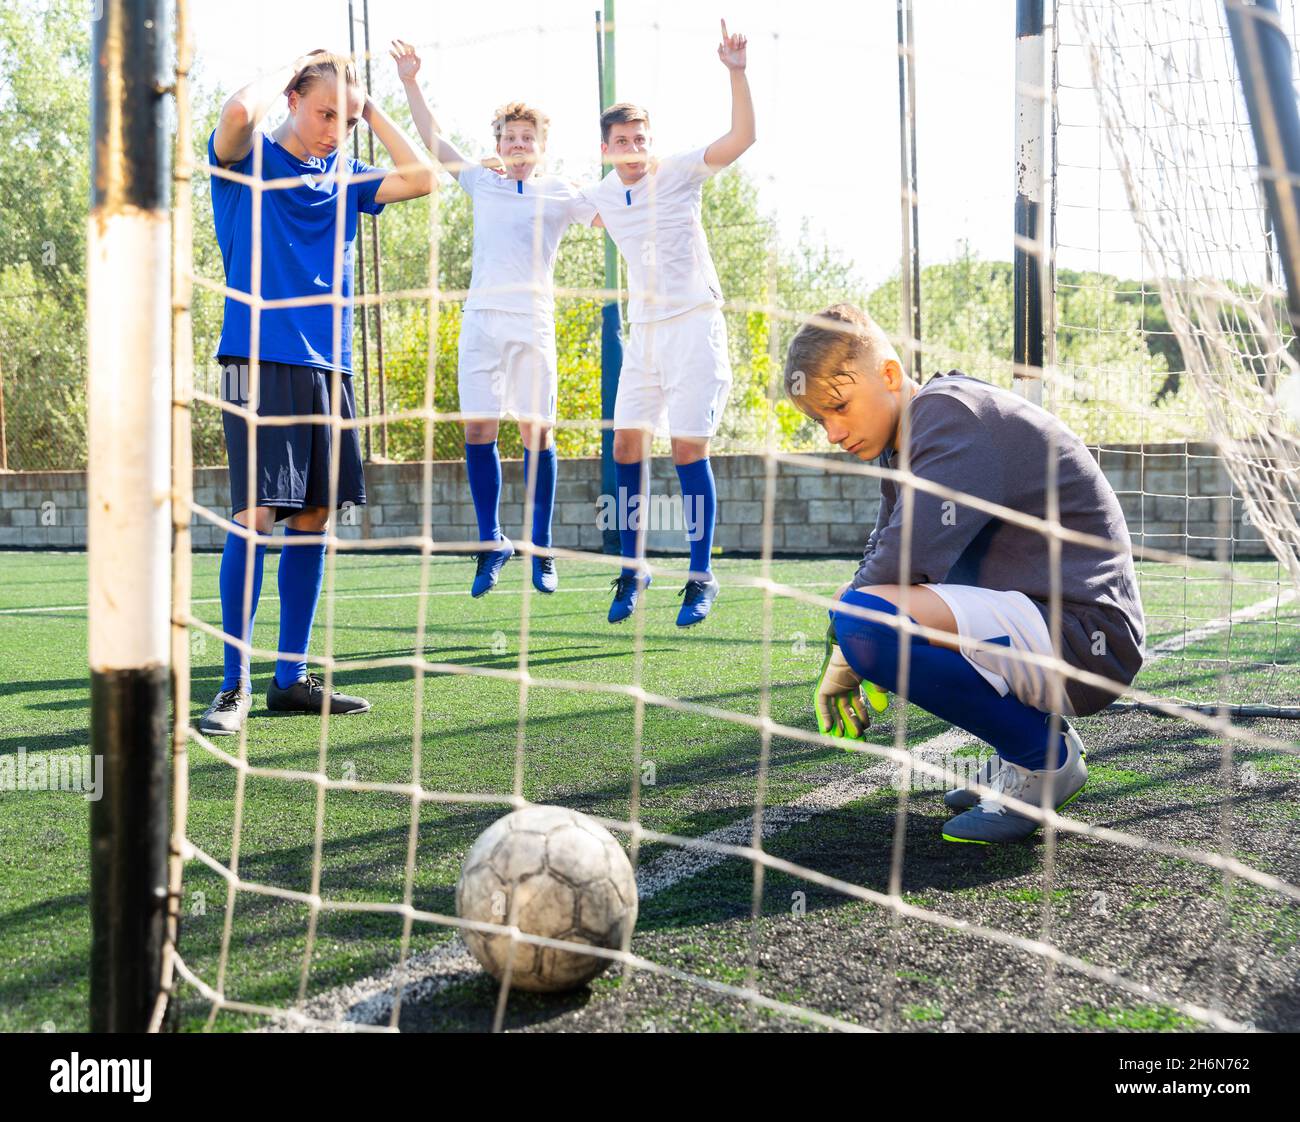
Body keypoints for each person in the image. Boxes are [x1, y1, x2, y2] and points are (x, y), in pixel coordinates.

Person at [784, 304, 1146, 843]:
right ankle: (1024, 742)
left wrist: (848, 648)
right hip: (1045, 621)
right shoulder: (910, 437)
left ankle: (1042, 759)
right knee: (859, 608)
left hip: (1084, 634)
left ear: (887, 375)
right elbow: (880, 554)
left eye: (839, 407)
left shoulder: (949, 415)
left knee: (865, 618)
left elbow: (906, 559)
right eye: (820, 420)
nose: (833, 433)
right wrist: (848, 627)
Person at [199, 51, 433, 737]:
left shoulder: (348, 176)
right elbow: (240, 111)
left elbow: (423, 178)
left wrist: (368, 107)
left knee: (315, 516)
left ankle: (289, 678)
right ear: (295, 99)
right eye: (325, 112)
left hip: (331, 365)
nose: (336, 128)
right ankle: (233, 685)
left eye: (346, 119)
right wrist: (301, 65)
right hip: (256, 358)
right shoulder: (245, 162)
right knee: (259, 514)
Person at [393, 40, 596, 596]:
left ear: (542, 146)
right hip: (482, 322)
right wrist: (412, 81)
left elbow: (608, 217)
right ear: (499, 145)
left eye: (527, 138)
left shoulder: (560, 191)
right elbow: (435, 142)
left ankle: (541, 548)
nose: (518, 145)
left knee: (537, 431)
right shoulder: (481, 181)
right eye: (509, 138)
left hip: (532, 323)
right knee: (478, 430)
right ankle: (493, 542)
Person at [583, 19, 754, 627]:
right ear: (606, 149)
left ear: (649, 142)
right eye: (621, 141)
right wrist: (503, 163)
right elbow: (551, 207)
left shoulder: (678, 171)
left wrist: (736, 72)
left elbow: (740, 139)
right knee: (627, 443)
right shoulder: (602, 194)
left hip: (695, 326)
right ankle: (632, 570)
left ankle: (701, 577)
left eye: (640, 139)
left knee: (687, 449)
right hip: (645, 336)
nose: (632, 149)